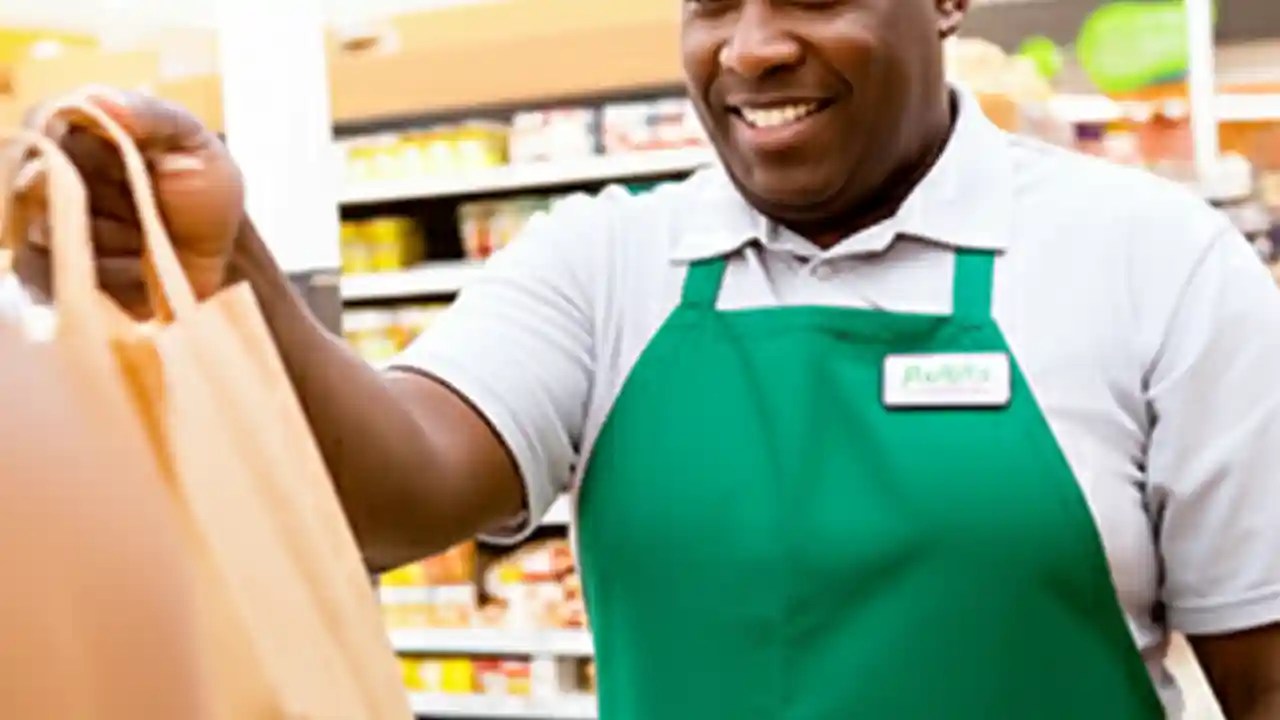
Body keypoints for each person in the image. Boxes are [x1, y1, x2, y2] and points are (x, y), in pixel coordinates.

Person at [16, 0, 1280, 717]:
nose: (751, 50)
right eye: (713, 2)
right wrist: (218, 259)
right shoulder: (608, 261)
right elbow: (391, 497)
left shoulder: (1151, 261)